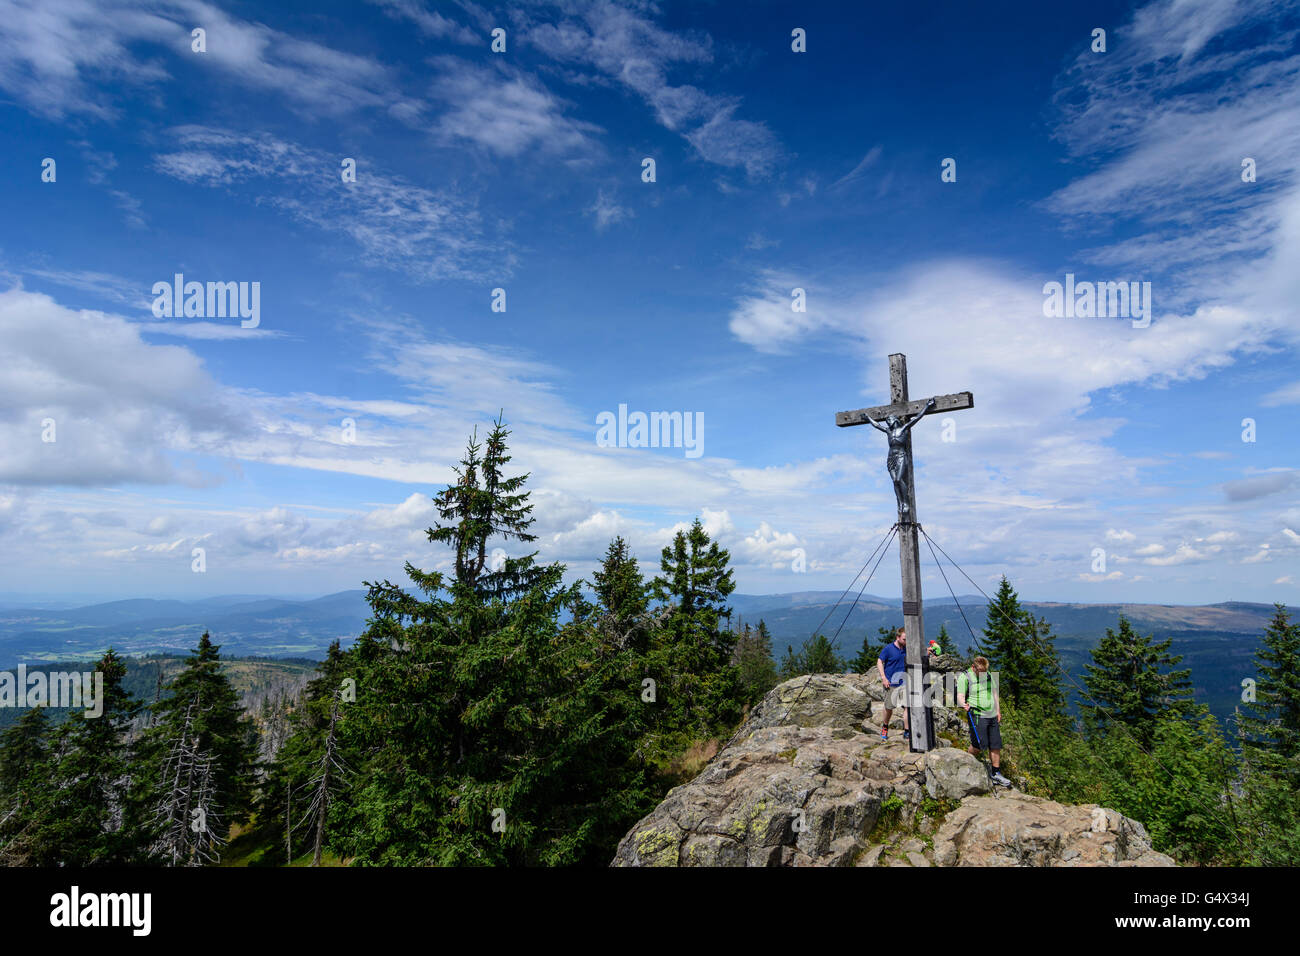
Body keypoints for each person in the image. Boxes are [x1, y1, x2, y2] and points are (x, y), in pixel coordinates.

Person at [957, 657, 1011, 787]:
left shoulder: (988, 675)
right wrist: (963, 704)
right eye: (980, 671)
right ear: (973, 667)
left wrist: (998, 710)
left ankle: (996, 773)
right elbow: (960, 695)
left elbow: (994, 693)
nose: (982, 673)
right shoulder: (965, 677)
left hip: (991, 713)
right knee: (978, 745)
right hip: (977, 714)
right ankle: (966, 762)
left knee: (995, 744)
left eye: (984, 671)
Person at [876, 626, 909, 741]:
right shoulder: (888, 649)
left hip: (904, 682)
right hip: (891, 682)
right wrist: (884, 678)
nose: (906, 641)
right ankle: (885, 726)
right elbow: (880, 661)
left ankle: (907, 731)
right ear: (898, 637)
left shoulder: (906, 648)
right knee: (889, 707)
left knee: (907, 707)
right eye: (904, 639)